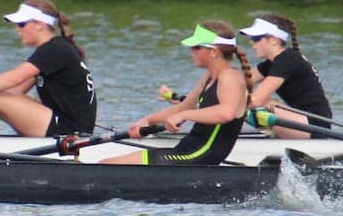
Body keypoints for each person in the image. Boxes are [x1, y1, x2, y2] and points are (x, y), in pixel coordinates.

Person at [104, 22, 250, 165]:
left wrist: (183, 116)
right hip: (186, 151)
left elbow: (226, 113)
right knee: (107, 163)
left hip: (199, 157)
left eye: (196, 47)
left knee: (108, 165)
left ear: (213, 52)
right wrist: (147, 120)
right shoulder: (209, 77)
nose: (192, 52)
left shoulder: (230, 77)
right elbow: (183, 107)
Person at [0, 0, 98, 138]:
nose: (17, 29)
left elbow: (14, 78)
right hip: (66, 124)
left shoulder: (54, 49)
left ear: (40, 25)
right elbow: (14, 91)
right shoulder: (54, 49)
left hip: (70, 131)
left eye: (21, 24)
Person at [240, 13, 332, 138]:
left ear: (273, 40)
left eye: (256, 38)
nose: (252, 43)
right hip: (301, 120)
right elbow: (238, 82)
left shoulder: (287, 60)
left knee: (258, 104)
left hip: (316, 125)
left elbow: (256, 100)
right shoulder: (272, 63)